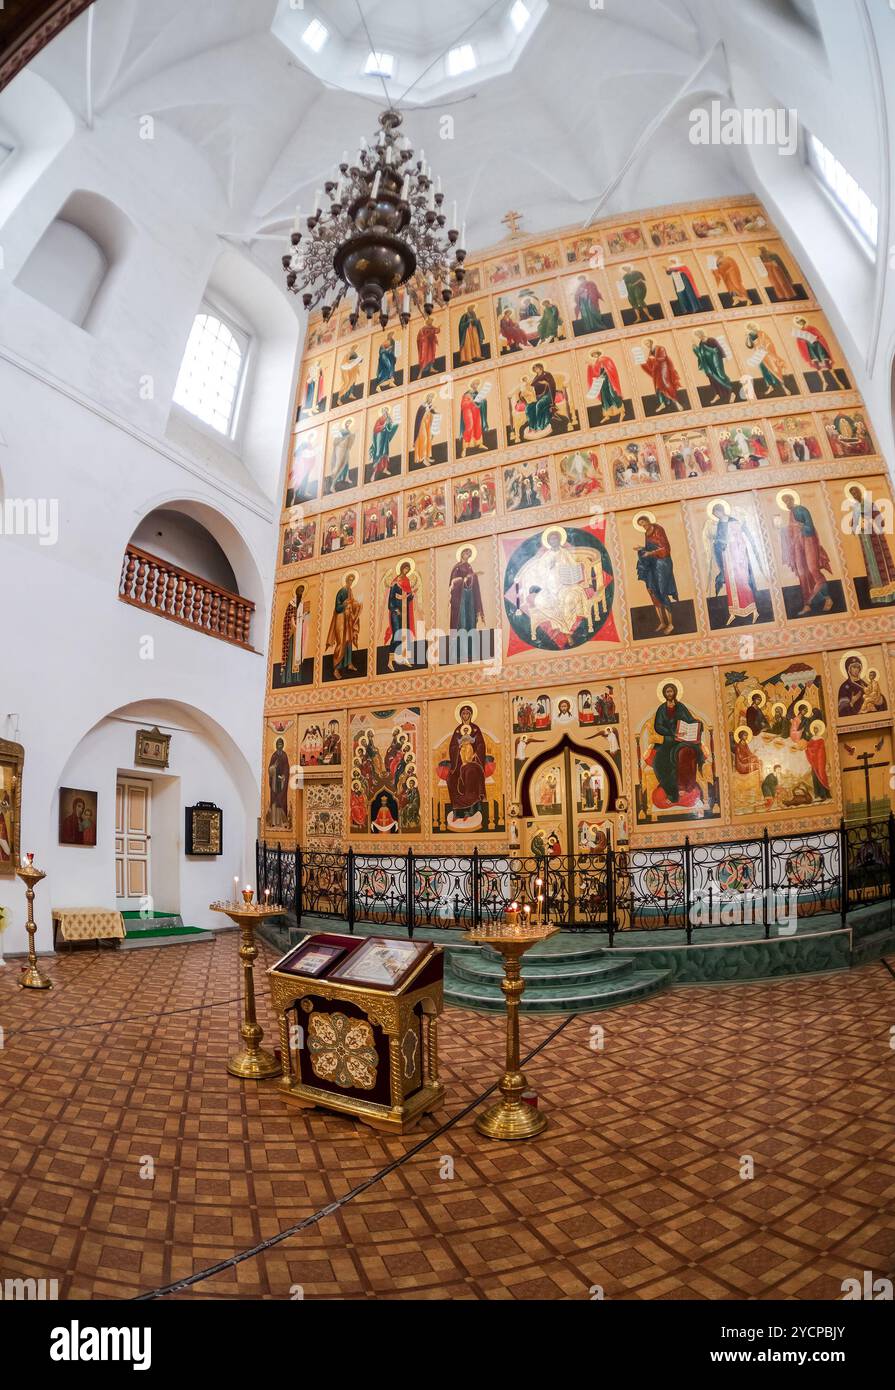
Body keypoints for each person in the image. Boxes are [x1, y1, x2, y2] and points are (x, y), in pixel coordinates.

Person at [644, 683, 707, 810]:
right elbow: (658, 726)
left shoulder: (681, 707)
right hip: (669, 740)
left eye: (671, 691)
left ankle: (684, 787)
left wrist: (697, 724)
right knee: (661, 760)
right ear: (664, 694)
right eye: (667, 692)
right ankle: (672, 792)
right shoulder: (662, 709)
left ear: (675, 692)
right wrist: (673, 732)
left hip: (683, 739)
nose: (669, 694)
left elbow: (690, 720)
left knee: (687, 752)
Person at [778, 493, 833, 614]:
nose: (787, 503)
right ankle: (807, 604)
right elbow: (791, 530)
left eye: (788, 500)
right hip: (798, 546)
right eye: (784, 502)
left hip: (809, 542)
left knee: (813, 570)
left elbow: (810, 527)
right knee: (802, 574)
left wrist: (799, 526)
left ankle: (828, 599)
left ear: (792, 499)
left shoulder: (802, 510)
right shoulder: (790, 514)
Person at [845, 484, 895, 605]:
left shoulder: (870, 504)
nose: (855, 495)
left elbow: (880, 520)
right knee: (871, 562)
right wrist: (854, 527)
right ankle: (878, 595)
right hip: (864, 537)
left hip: (874, 536)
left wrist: (871, 522)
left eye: (856, 492)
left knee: (880, 560)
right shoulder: (856, 508)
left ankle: (890, 592)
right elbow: (854, 523)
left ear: (860, 493)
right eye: (853, 494)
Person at [634, 514, 678, 635]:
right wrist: (642, 548)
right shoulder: (646, 533)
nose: (643, 526)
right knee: (652, 590)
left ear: (648, 521)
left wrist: (650, 553)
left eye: (644, 523)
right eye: (641, 525)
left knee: (662, 591)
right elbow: (650, 548)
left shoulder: (658, 529)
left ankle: (670, 624)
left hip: (663, 564)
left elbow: (665, 548)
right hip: (653, 563)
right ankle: (662, 622)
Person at [446, 707, 488, 829]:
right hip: (458, 762)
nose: (465, 715)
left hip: (473, 761)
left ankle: (470, 811)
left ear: (470, 714)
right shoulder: (458, 730)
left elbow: (481, 745)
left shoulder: (475, 729)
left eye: (467, 713)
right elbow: (452, 746)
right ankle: (457, 812)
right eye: (463, 713)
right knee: (451, 779)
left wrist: (474, 752)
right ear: (460, 715)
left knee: (469, 774)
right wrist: (458, 747)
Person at [325, 573, 362, 679]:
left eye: (352, 580)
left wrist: (356, 604)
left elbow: (351, 603)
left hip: (348, 619)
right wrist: (345, 605)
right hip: (340, 619)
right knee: (341, 642)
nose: (350, 582)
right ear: (346, 580)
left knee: (349, 640)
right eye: (349, 580)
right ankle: (336, 668)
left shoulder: (350, 591)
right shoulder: (342, 591)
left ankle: (349, 663)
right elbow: (337, 607)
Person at [384, 561, 417, 671]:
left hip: (404, 612)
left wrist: (411, 595)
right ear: (401, 568)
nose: (406, 571)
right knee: (396, 635)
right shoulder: (395, 582)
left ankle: (403, 658)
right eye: (405, 568)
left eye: (408, 569)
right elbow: (391, 600)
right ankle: (390, 660)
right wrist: (395, 609)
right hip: (396, 612)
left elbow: (406, 598)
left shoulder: (407, 581)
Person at [692, 330, 738, 403]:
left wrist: (724, 358)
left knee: (721, 376)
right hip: (708, 364)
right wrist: (695, 348)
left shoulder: (711, 340)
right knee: (712, 378)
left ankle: (731, 393)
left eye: (697, 335)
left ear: (701, 334)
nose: (697, 337)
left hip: (716, 362)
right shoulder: (701, 343)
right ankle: (717, 394)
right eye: (696, 336)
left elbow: (719, 348)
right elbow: (701, 354)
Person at [449, 548, 485, 637]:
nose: (468, 556)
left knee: (470, 615)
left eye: (469, 555)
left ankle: (470, 635)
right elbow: (453, 582)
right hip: (460, 596)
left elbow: (471, 579)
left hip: (469, 594)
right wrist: (464, 579)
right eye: (467, 553)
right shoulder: (457, 567)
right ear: (462, 554)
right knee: (462, 617)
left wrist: (473, 575)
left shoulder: (469, 566)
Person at [640, 338, 681, 412]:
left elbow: (663, 357)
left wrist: (654, 358)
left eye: (647, 343)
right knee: (658, 387)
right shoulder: (651, 351)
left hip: (663, 368)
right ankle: (662, 403)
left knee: (666, 384)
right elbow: (650, 362)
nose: (647, 345)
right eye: (645, 344)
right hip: (657, 371)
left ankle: (676, 402)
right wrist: (643, 362)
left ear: (651, 342)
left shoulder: (660, 348)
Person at [585, 348, 625, 421]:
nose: (595, 356)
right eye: (593, 355)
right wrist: (590, 366)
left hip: (609, 381)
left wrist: (604, 370)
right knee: (604, 397)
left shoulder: (605, 359)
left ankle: (622, 412)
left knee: (613, 395)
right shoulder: (596, 363)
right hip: (602, 382)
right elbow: (596, 373)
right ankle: (607, 415)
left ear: (598, 353)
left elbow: (609, 368)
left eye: (596, 354)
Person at [281, 584, 309, 684]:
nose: (300, 593)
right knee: (291, 653)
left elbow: (306, 618)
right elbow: (289, 617)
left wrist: (304, 622)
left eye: (302, 591)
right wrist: (294, 626)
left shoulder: (303, 603)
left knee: (299, 654)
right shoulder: (291, 603)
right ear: (296, 592)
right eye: (299, 591)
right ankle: (288, 677)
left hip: (300, 632)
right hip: (292, 633)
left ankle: (297, 677)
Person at [267, 740, 290, 828]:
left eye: (281, 744)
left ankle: (283, 822)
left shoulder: (284, 755)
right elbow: (270, 769)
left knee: (282, 800)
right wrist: (273, 768)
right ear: (276, 745)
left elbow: (286, 768)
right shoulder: (273, 756)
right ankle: (274, 821)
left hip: (282, 782)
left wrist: (284, 776)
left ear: (283, 745)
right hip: (274, 782)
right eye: (278, 744)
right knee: (274, 800)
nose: (279, 746)